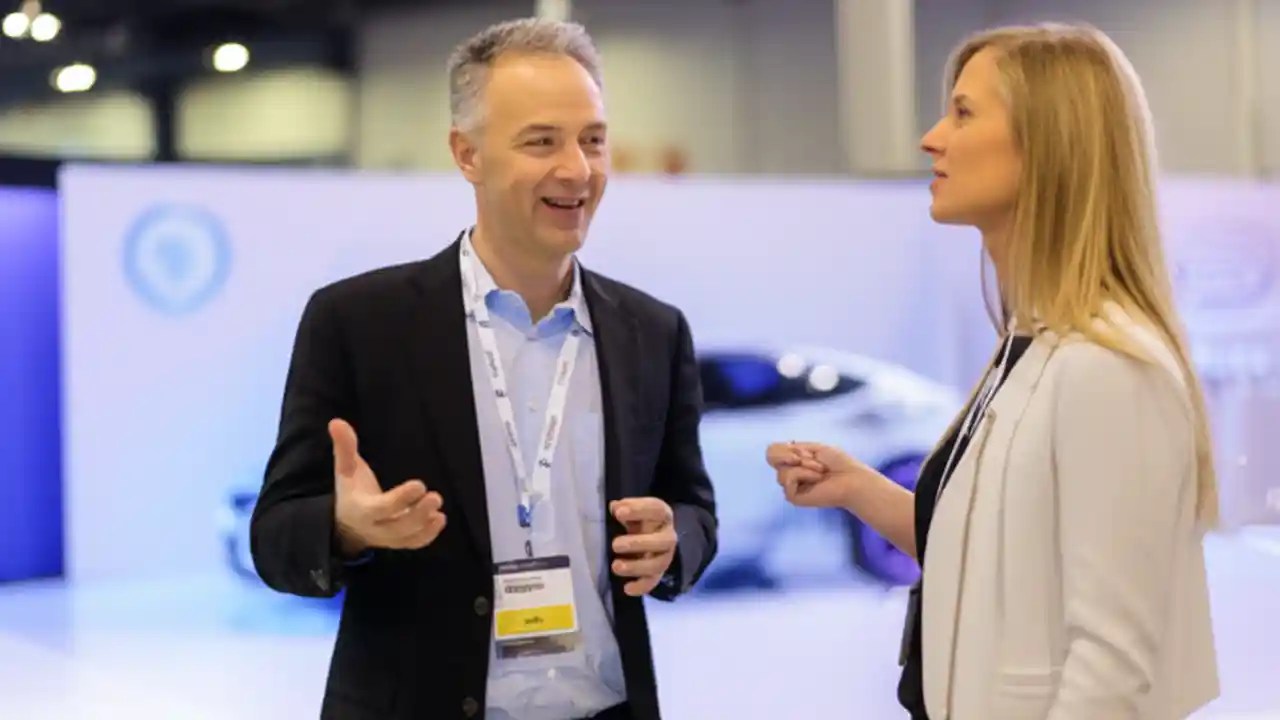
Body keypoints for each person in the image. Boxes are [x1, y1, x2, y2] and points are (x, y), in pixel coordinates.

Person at [251, 17, 717, 720]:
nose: (578, 169)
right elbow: (276, 537)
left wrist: (674, 540)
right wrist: (347, 528)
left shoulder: (652, 331)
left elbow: (694, 509)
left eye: (593, 139)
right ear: (466, 154)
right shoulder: (360, 323)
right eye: (541, 142)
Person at [767, 23, 1219, 720]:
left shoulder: (1109, 368)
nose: (931, 138)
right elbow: (994, 562)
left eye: (964, 112)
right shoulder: (1033, 346)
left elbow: (1113, 666)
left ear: (1049, 145)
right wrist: (859, 490)